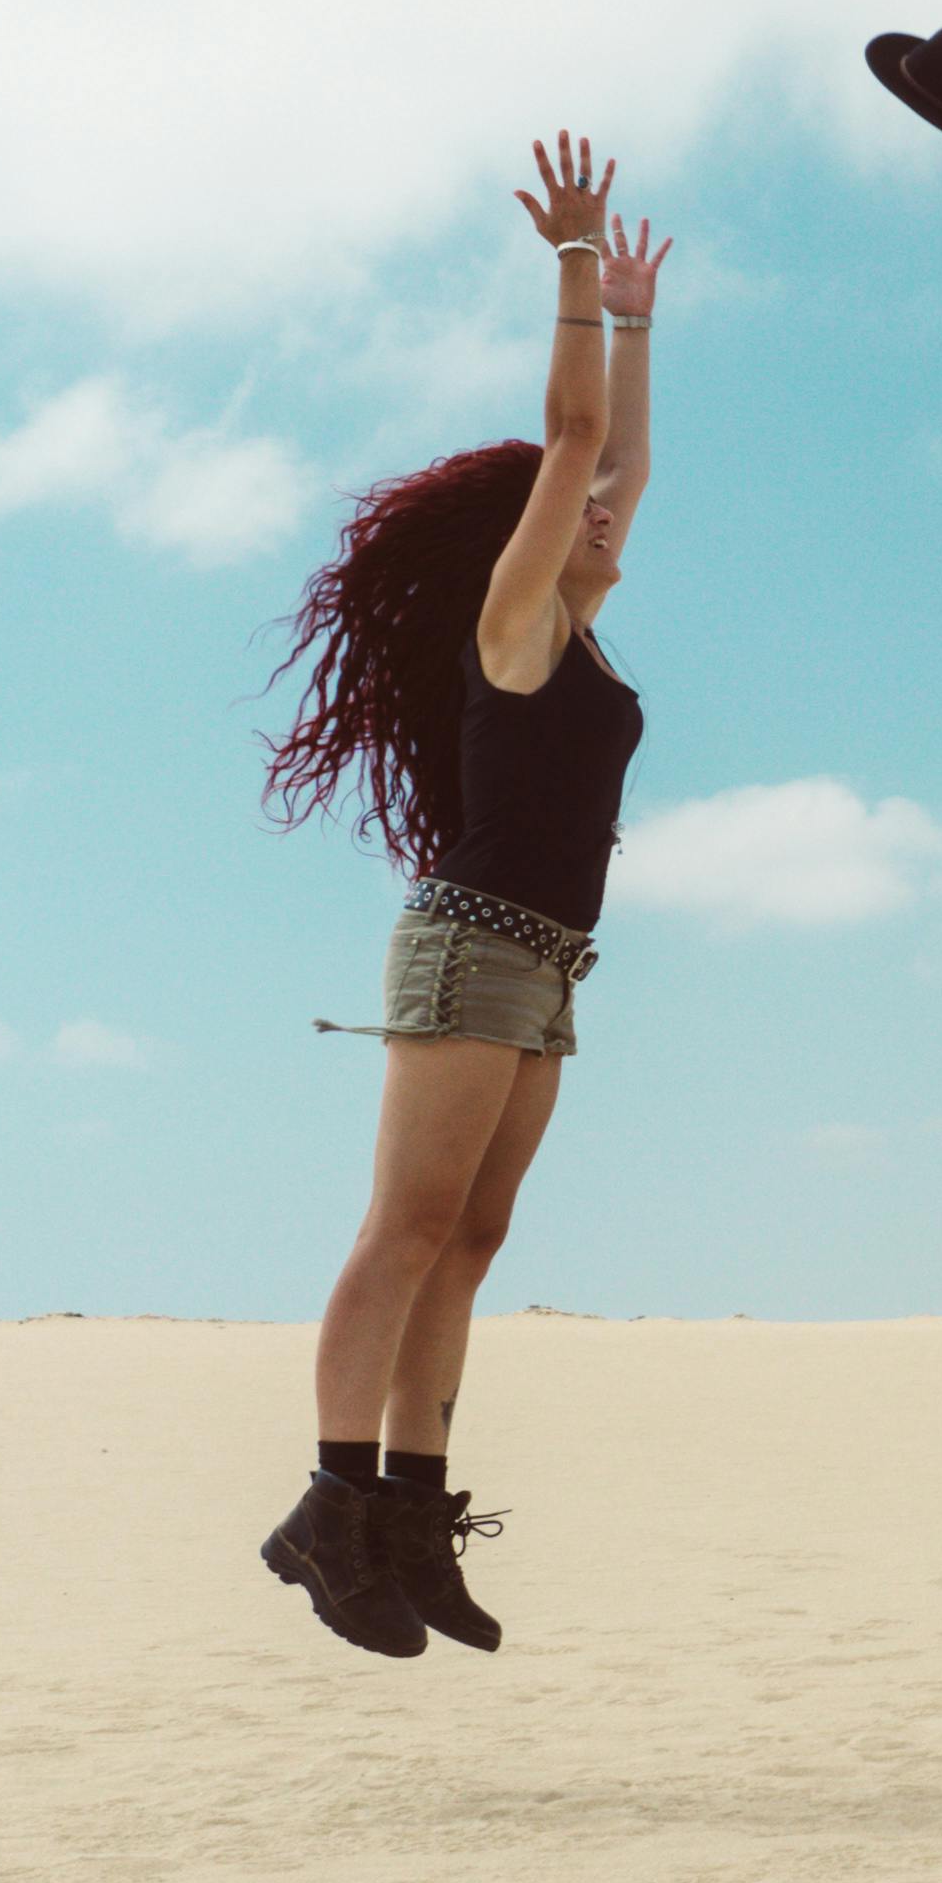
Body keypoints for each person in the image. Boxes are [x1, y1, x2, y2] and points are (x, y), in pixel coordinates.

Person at [249, 135, 663, 1656]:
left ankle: (413, 1512)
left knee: (475, 1237)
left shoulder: (587, 637)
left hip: (546, 967)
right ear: (532, 539)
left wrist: (638, 331)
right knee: (409, 1224)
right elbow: (575, 453)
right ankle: (330, 1505)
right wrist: (570, 277)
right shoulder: (515, 622)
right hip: (470, 953)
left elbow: (615, 465)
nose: (610, 518)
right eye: (581, 514)